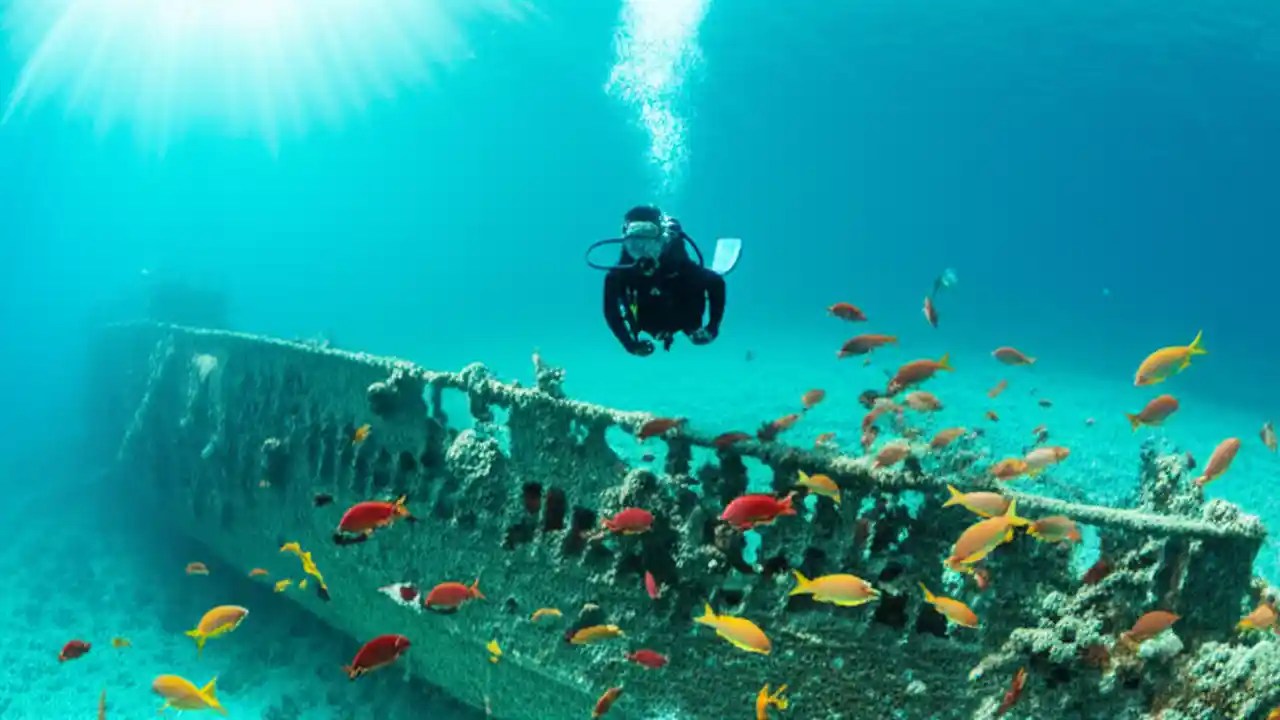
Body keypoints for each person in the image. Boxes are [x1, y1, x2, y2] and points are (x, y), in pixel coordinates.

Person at [597, 205, 726, 356]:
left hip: (682, 313)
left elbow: (716, 283)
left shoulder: (677, 261)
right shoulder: (620, 274)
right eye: (634, 244)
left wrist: (712, 327)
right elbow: (611, 311)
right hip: (647, 322)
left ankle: (690, 329)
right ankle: (680, 329)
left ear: (661, 239)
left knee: (688, 287)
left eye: (648, 241)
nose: (642, 250)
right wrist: (630, 344)